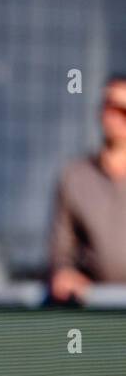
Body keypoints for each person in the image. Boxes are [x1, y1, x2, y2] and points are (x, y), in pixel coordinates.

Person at [48, 74, 126, 305]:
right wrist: (64, 274)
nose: (117, 116)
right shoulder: (75, 178)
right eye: (111, 106)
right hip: (94, 311)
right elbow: (62, 252)